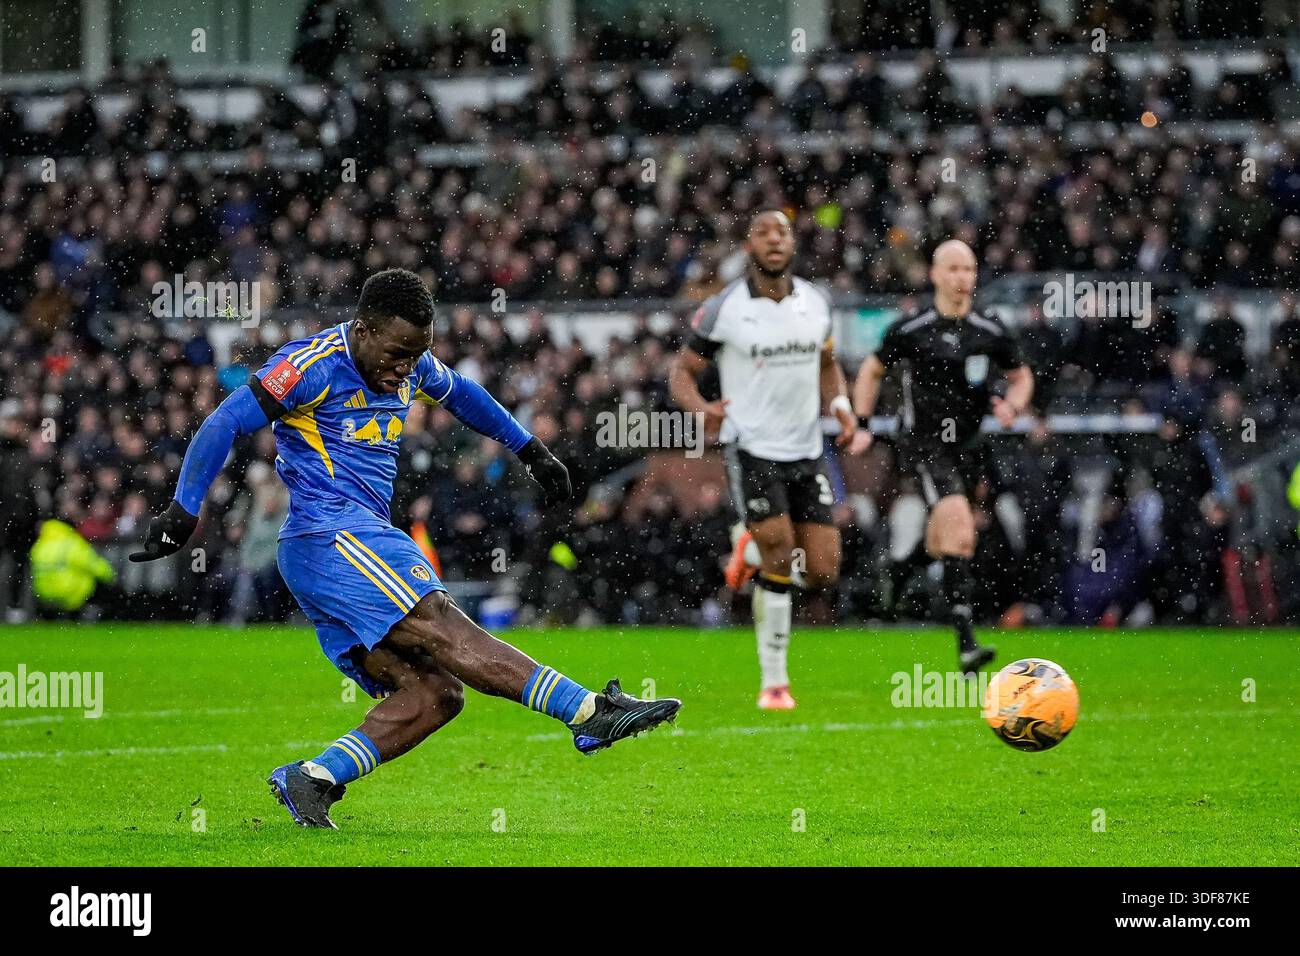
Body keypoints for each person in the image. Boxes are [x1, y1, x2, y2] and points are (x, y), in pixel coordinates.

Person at [130, 268, 681, 829]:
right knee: (440, 618)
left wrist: (530, 448)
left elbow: (463, 394)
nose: (404, 370)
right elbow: (225, 420)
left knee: (436, 694)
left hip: (343, 547)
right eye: (396, 354)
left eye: (417, 354)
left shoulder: (408, 361)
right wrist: (184, 509)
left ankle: (313, 779)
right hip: (330, 534)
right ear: (363, 330)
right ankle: (588, 711)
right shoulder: (311, 367)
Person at [669, 210, 856, 710]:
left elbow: (828, 363)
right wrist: (701, 408)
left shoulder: (816, 303)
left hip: (806, 450)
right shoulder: (724, 308)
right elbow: (682, 371)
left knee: (823, 571)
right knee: (779, 552)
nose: (774, 239)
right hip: (751, 447)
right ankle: (774, 683)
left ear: (793, 243)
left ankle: (747, 553)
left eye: (783, 232)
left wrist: (840, 405)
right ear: (749, 245)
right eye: (763, 233)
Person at [850, 240, 1033, 673]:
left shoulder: (989, 328)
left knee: (943, 541)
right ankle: (966, 642)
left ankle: (899, 571)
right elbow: (872, 370)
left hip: (969, 448)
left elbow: (1021, 377)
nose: (961, 278)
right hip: (923, 445)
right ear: (934, 274)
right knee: (961, 530)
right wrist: (861, 423)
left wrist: (1013, 405)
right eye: (952, 269)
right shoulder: (911, 328)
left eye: (968, 269)